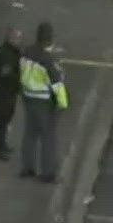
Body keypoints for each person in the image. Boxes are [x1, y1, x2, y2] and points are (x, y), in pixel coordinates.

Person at [16, 21, 67, 183]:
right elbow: (57, 85)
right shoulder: (47, 60)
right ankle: (48, 173)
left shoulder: (26, 53)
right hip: (44, 101)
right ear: (50, 39)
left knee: (30, 135)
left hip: (28, 97)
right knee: (48, 138)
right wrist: (62, 104)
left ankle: (28, 167)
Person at [0, 27, 23, 161]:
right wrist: (18, 78)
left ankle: (1, 143)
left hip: (10, 91)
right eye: (17, 38)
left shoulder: (14, 52)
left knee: (6, 118)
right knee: (2, 119)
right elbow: (4, 73)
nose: (19, 41)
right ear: (10, 38)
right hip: (3, 91)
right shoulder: (4, 53)